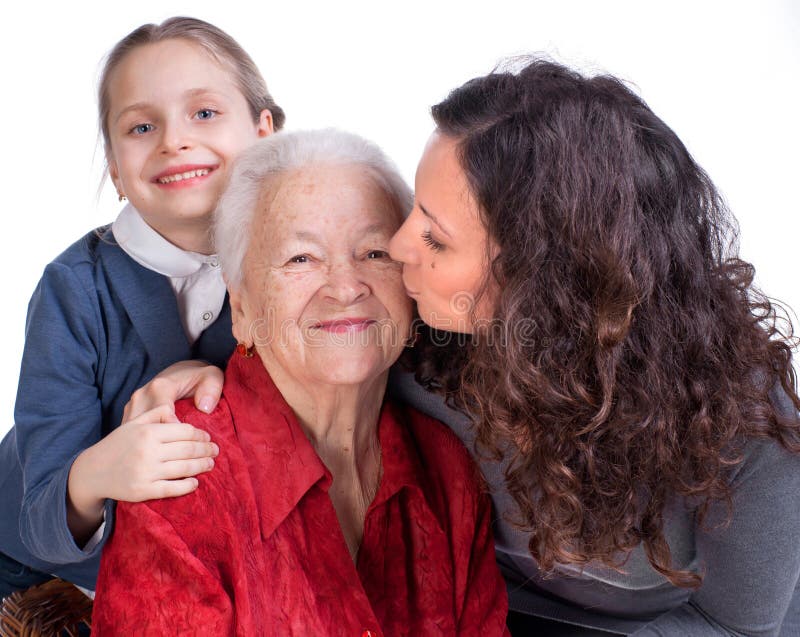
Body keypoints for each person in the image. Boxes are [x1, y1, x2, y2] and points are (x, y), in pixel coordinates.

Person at [143, 59, 800, 635]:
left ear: (539, 283)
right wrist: (196, 369)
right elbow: (290, 311)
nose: (398, 251)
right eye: (411, 218)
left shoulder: (738, 417)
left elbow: (737, 626)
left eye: (435, 239)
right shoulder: (425, 352)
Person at [90, 129, 510, 636]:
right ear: (241, 307)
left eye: (374, 253)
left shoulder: (447, 465)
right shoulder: (182, 470)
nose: (346, 286)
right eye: (300, 259)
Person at [0, 16, 284, 597]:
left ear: (265, 133)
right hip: (44, 566)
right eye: (141, 126)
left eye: (204, 113)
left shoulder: (305, 264)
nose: (173, 141)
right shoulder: (74, 288)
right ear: (114, 166)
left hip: (213, 573)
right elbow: (41, 512)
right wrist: (102, 470)